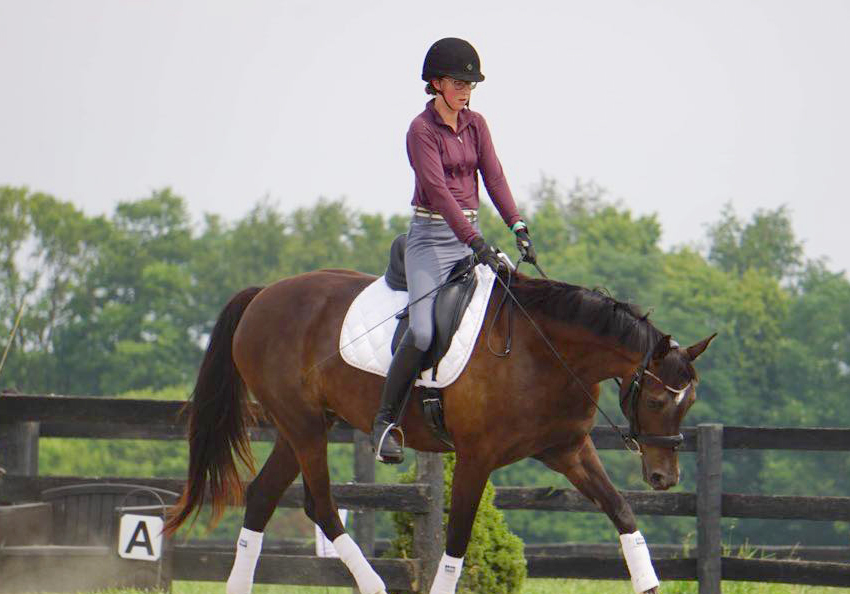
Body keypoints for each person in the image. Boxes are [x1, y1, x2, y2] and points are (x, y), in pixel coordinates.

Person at [371, 37, 538, 463]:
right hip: (431, 240)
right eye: (459, 82)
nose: (466, 90)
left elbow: (495, 178)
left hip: (470, 237)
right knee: (424, 331)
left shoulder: (476, 123)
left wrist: (516, 224)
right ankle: (385, 421)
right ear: (437, 83)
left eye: (471, 84)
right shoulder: (420, 130)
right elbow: (440, 194)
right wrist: (475, 241)